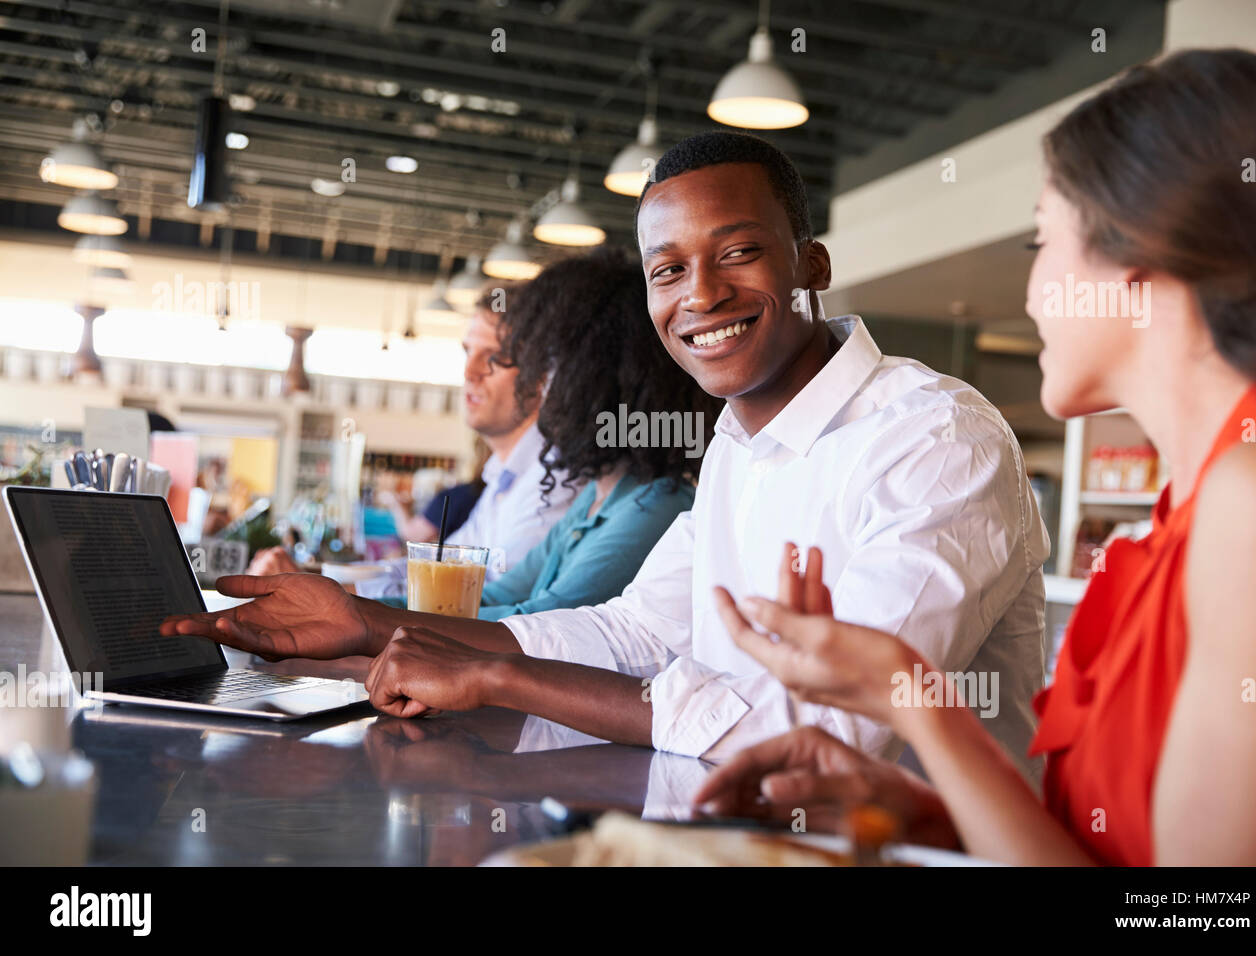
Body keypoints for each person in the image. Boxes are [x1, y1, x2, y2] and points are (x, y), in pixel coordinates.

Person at [162, 131, 1049, 777]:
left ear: (810, 263)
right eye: (667, 270)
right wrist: (368, 623)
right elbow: (635, 631)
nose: (700, 294)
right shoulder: (743, 442)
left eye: (737, 253)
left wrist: (496, 673)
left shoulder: (933, 437)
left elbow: (832, 730)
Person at [694, 49, 1256, 866]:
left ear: (1140, 260)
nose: (1031, 293)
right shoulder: (1194, 510)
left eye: (1039, 244)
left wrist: (913, 701)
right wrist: (926, 815)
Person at [247, 282, 578, 581]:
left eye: (493, 356)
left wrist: (313, 586)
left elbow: (486, 602)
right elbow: (436, 571)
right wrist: (313, 577)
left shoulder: (553, 479)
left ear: (542, 375)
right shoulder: (502, 478)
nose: (469, 371)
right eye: (468, 352)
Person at [474, 246, 717, 619]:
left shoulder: (656, 506)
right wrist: (367, 610)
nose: (541, 390)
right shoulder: (594, 498)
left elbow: (540, 621)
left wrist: (377, 620)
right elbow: (489, 598)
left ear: (596, 380)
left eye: (551, 368)